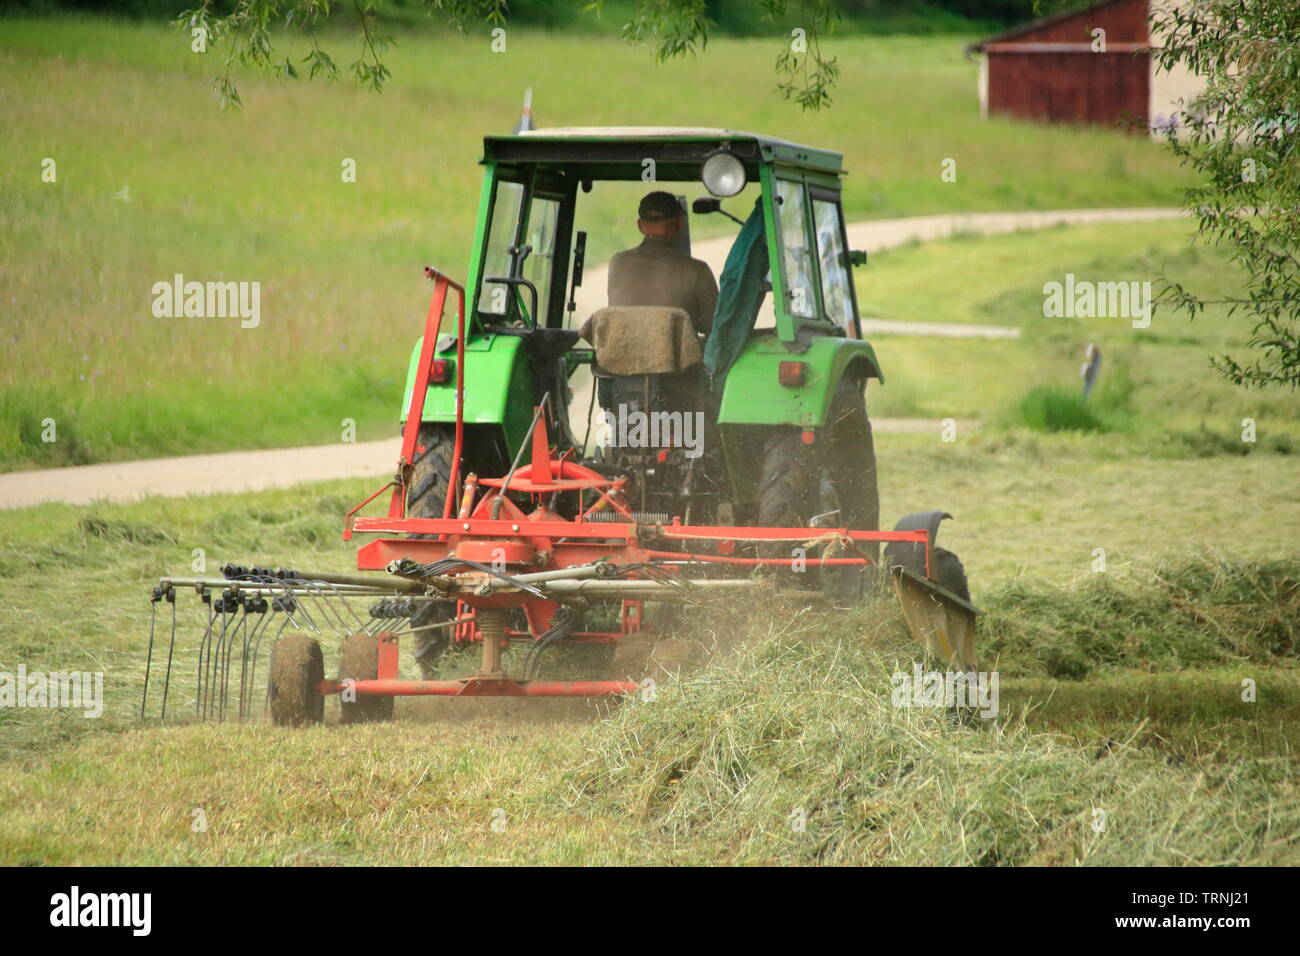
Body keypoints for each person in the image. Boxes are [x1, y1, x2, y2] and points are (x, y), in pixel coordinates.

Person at [607, 191, 718, 336]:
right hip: (676, 358)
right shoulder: (697, 270)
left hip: (624, 357)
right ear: (680, 223)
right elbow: (717, 331)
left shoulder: (617, 264)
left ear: (640, 226)